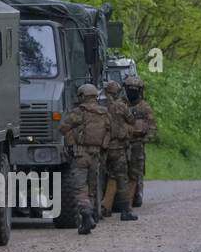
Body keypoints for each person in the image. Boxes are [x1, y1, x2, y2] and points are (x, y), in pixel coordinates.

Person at [58, 84, 109, 235]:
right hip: (96, 155)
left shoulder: (79, 112)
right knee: (92, 188)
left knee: (80, 188)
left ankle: (86, 216)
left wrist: (73, 133)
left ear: (82, 96)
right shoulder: (104, 112)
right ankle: (90, 217)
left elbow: (62, 128)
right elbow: (109, 131)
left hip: (80, 155)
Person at [99, 78, 138, 221]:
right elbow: (131, 120)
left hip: (101, 148)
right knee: (122, 179)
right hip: (118, 148)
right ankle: (125, 211)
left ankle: (100, 210)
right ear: (117, 92)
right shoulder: (121, 106)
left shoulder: (99, 106)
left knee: (99, 179)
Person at [124, 74, 156, 208]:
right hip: (121, 144)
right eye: (130, 89)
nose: (133, 91)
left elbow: (152, 127)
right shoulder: (121, 105)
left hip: (137, 144)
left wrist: (145, 138)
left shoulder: (144, 107)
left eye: (135, 89)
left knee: (136, 172)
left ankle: (135, 197)